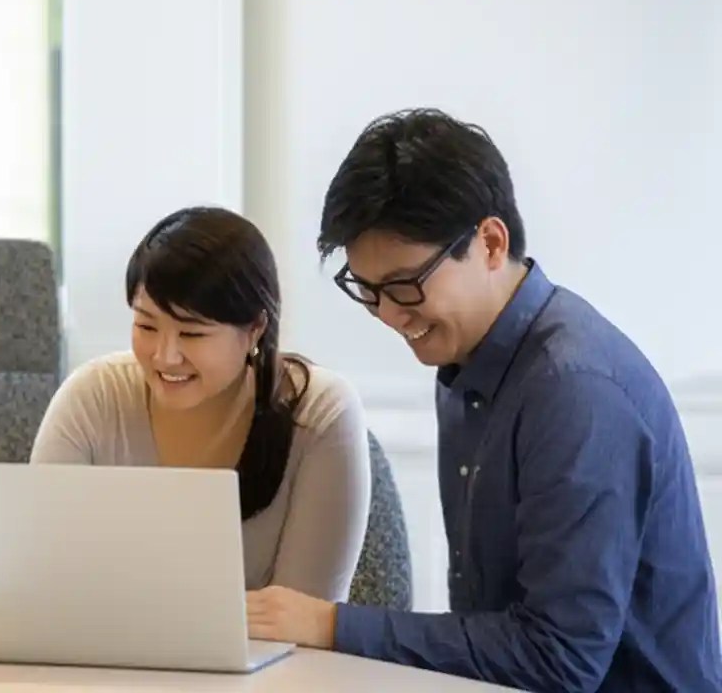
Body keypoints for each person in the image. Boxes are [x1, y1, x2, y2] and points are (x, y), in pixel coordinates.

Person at [246, 108, 722, 692]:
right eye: (367, 291)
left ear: (490, 243)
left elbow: (559, 659)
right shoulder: (468, 358)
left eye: (403, 285)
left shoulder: (573, 389)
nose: (391, 316)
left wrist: (333, 624)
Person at [31, 207, 372, 601]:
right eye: (146, 326)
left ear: (255, 328)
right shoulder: (92, 399)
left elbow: (303, 622)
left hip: (275, 664)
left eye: (191, 333)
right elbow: (45, 582)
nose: (165, 356)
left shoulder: (320, 414)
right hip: (99, 657)